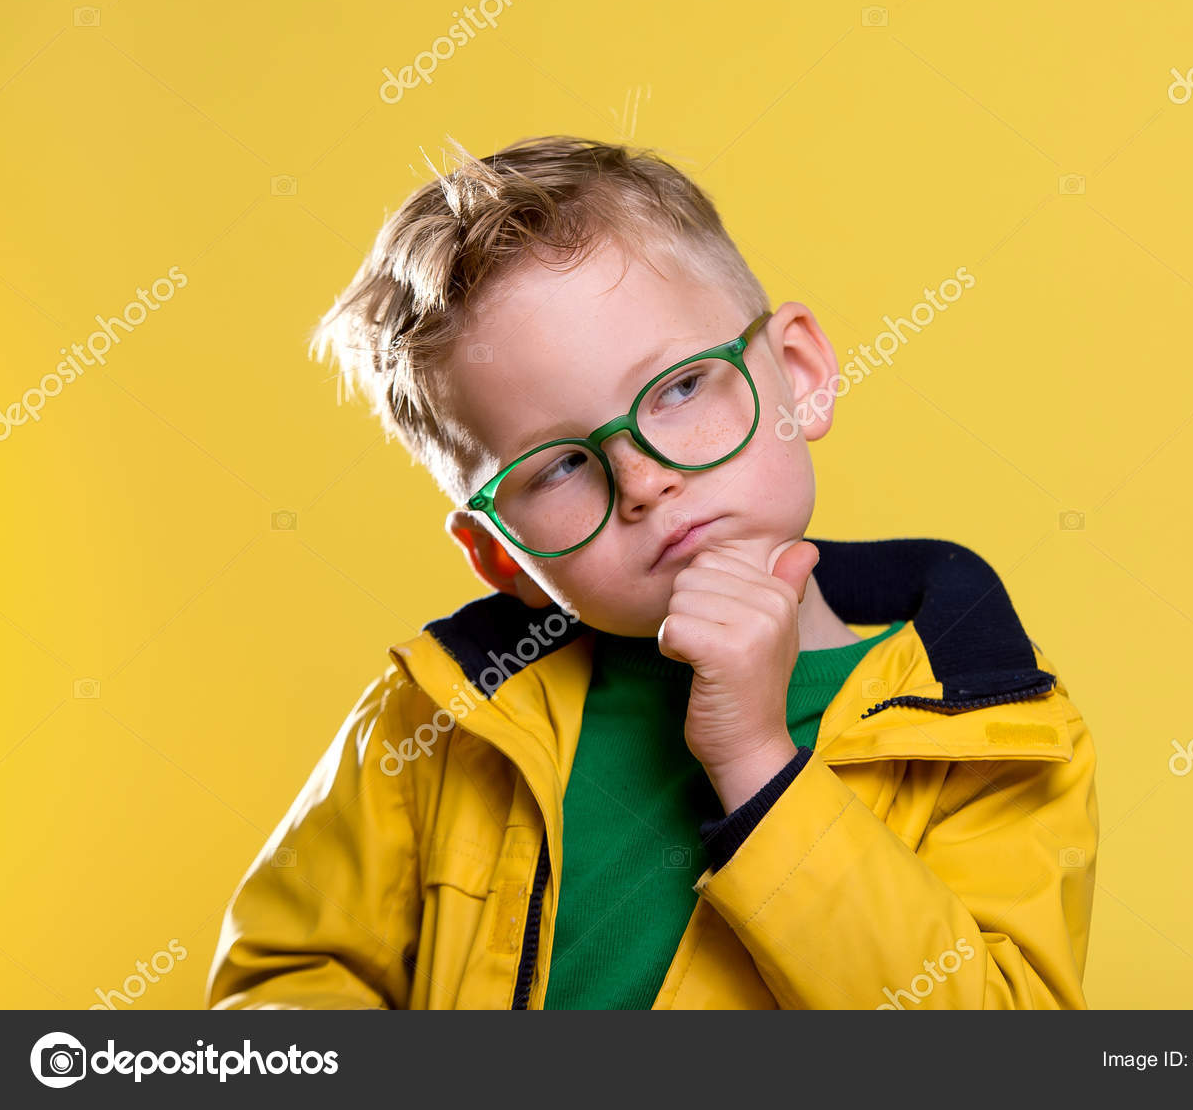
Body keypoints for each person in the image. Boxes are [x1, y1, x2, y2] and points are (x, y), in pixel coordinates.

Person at [205, 135, 1099, 1009]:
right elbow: (283, 985)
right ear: (498, 557)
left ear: (799, 373)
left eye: (678, 388)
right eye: (555, 466)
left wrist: (756, 760)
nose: (645, 481)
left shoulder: (995, 731)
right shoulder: (437, 718)